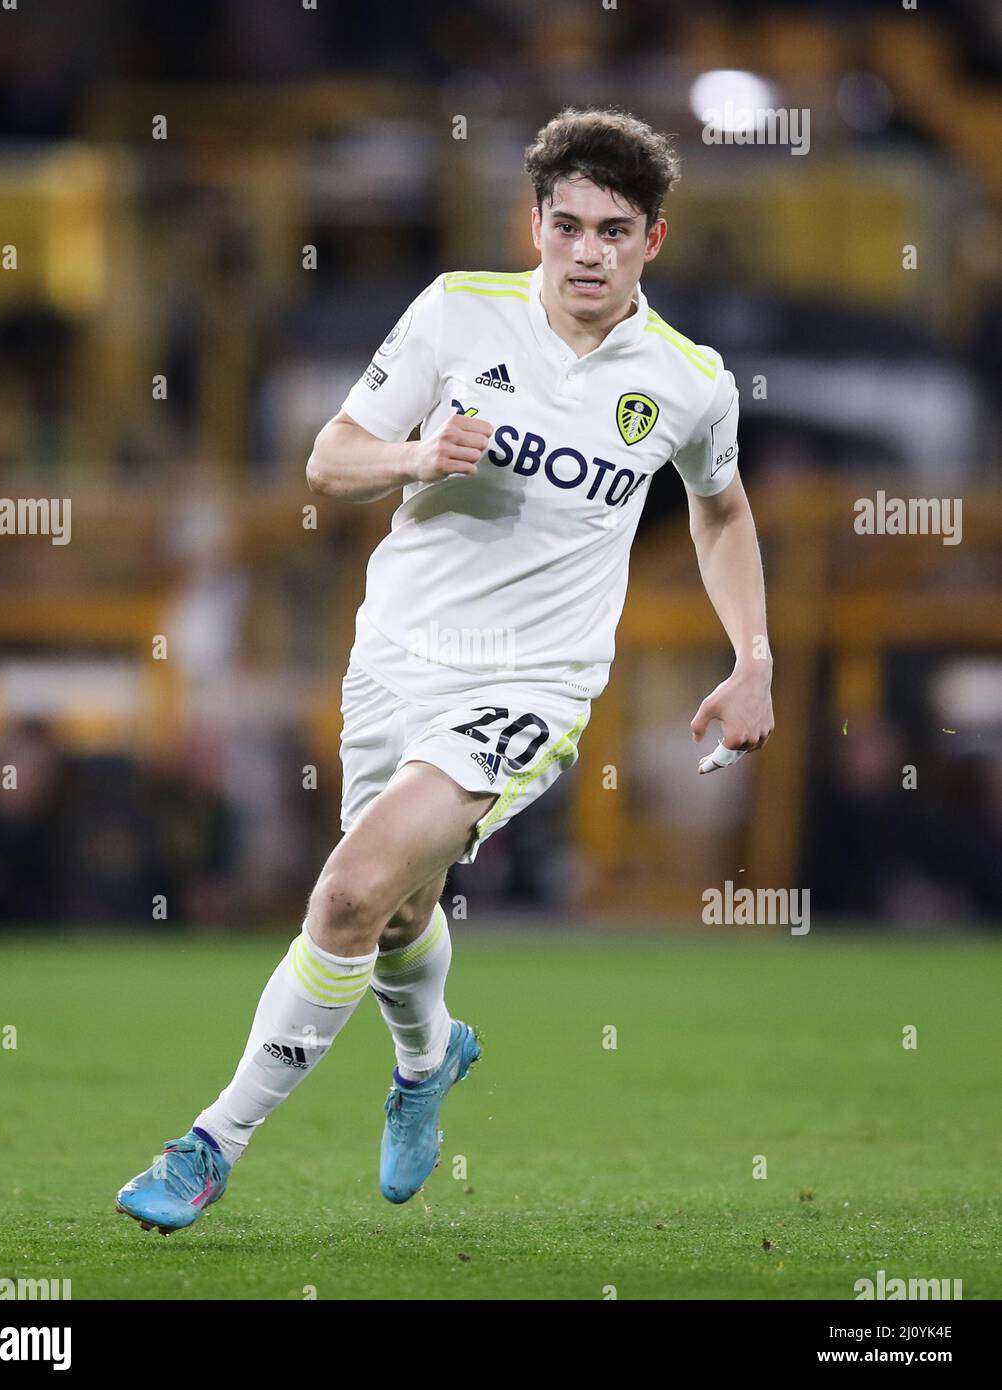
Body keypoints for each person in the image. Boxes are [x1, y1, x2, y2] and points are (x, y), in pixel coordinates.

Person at [116, 105, 774, 1234]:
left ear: (651, 243)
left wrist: (751, 656)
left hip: (534, 683)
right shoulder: (455, 311)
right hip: (394, 658)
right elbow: (330, 456)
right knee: (400, 904)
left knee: (348, 889)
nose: (585, 251)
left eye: (613, 231)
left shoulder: (685, 380)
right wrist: (418, 453)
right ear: (534, 224)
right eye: (565, 224)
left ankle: (209, 1142)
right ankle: (427, 1060)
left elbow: (718, 508)